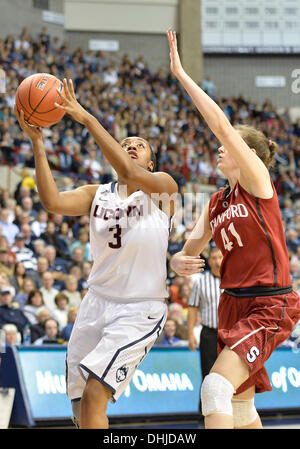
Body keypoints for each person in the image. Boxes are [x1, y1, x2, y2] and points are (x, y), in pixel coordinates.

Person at [15, 78, 179, 430]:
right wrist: (38, 144)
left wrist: (86, 117)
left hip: (139, 309)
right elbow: (53, 201)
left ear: (152, 163)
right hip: (96, 303)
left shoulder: (163, 190)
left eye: (140, 145)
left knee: (93, 395)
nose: (132, 146)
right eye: (126, 143)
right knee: (79, 406)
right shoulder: (97, 193)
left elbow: (129, 171)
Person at [167, 29, 300, 429]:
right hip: (232, 303)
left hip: (268, 302)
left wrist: (182, 75)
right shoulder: (216, 202)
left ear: (251, 155)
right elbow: (189, 250)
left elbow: (222, 127)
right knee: (240, 408)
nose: (220, 147)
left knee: (214, 390)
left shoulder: (258, 183)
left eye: (231, 144)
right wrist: (178, 260)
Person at [187, 246, 223, 413]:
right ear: (209, 261)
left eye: (219, 257)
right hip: (209, 333)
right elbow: (193, 307)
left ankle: (228, 412)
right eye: (214, 258)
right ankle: (205, 414)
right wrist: (190, 334)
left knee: (229, 376)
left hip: (230, 335)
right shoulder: (201, 281)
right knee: (208, 376)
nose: (217, 261)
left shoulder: (234, 279)